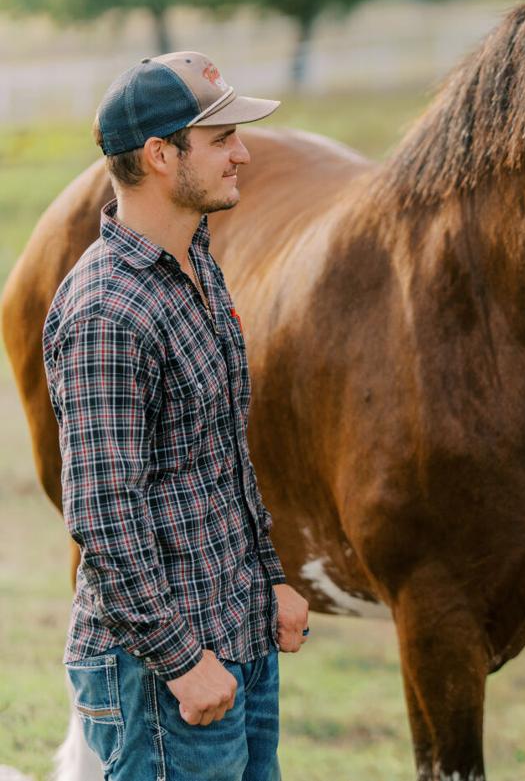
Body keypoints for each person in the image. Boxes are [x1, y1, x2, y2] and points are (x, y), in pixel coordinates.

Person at [42, 52, 311, 781]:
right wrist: (182, 659)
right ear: (161, 155)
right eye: (222, 137)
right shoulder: (107, 311)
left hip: (237, 639)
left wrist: (269, 578)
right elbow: (102, 513)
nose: (244, 153)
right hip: (161, 678)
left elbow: (219, 455)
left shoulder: (195, 259)